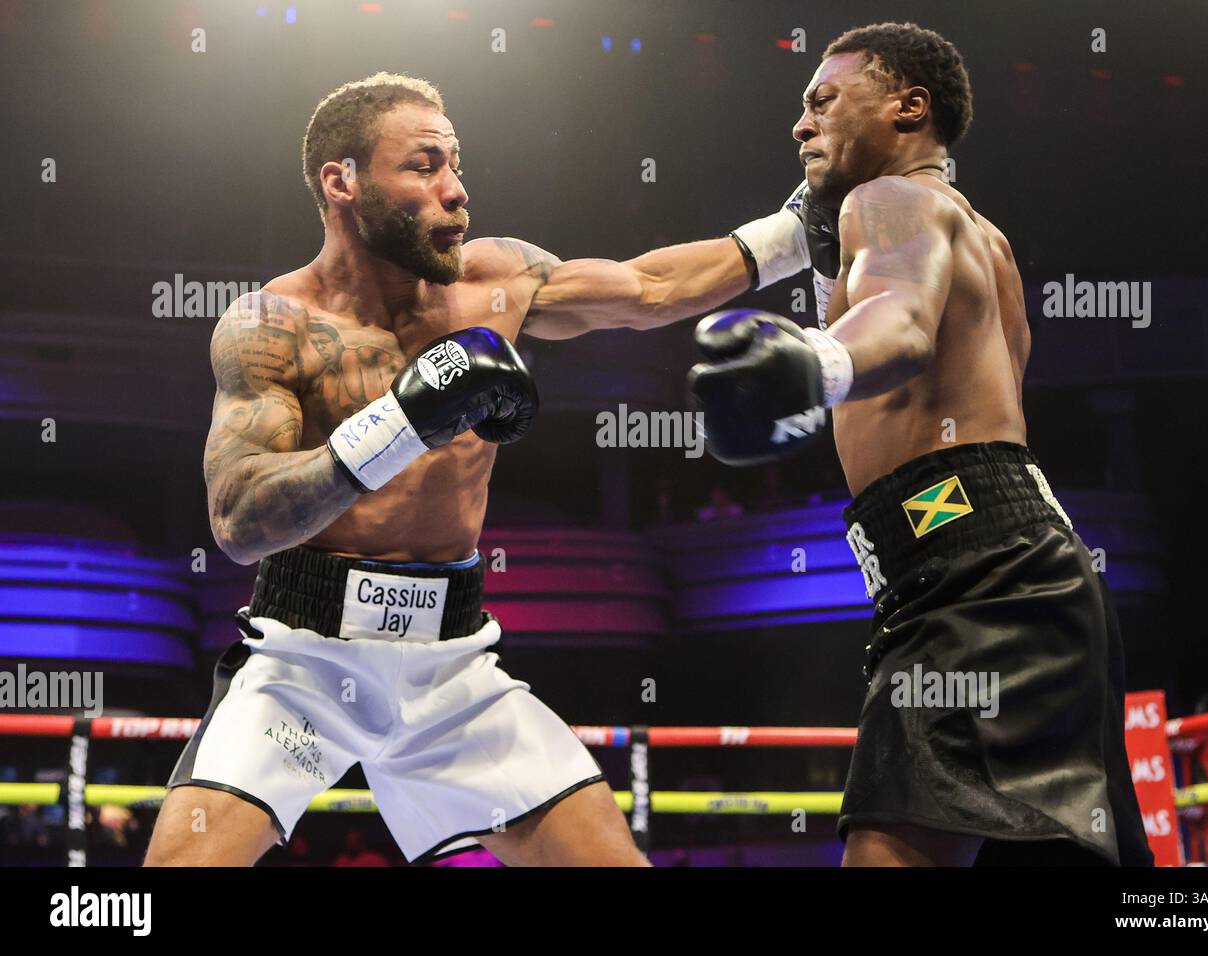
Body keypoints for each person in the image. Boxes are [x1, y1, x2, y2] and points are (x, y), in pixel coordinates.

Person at [144, 72, 812, 867]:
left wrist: (804, 228)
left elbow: (649, 289)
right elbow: (239, 520)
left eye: (457, 165)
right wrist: (402, 422)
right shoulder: (272, 323)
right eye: (425, 166)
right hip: (304, 660)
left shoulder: (494, 281)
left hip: (452, 664)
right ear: (342, 181)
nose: (457, 192)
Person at [689, 23, 1154, 866]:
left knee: (886, 851)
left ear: (910, 107)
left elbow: (898, 322)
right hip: (1017, 568)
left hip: (976, 576)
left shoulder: (892, 200)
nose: (801, 126)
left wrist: (812, 364)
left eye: (822, 101)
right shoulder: (981, 236)